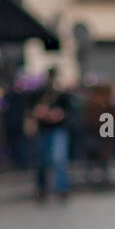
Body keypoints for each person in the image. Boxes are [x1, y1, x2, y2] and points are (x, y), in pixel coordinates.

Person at [30, 67, 73, 201]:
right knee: (42, 161)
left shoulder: (62, 93)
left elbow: (69, 111)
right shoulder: (39, 93)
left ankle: (61, 188)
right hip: (44, 129)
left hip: (58, 129)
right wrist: (40, 112)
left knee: (59, 159)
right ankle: (43, 189)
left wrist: (59, 114)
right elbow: (31, 109)